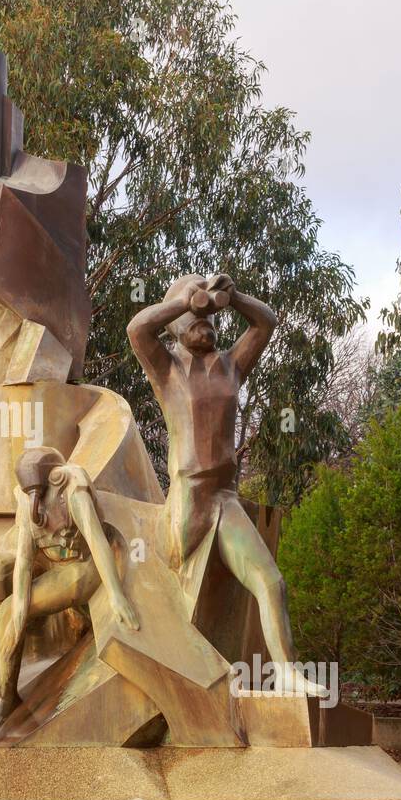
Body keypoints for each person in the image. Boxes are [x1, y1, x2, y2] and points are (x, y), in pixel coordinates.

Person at [126, 273, 324, 697]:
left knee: (270, 582)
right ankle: (181, 688)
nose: (206, 322)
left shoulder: (231, 367)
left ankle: (287, 673)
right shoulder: (167, 369)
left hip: (224, 498)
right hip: (188, 499)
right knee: (187, 604)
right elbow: (137, 329)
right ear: (176, 324)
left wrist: (232, 297)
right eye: (196, 318)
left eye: (209, 318)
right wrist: (185, 301)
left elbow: (266, 322)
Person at [0, 447, 138, 739]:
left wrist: (116, 594)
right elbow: (24, 561)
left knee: (25, 604)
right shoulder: (26, 501)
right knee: (8, 611)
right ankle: (6, 698)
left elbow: (97, 541)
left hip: (84, 565)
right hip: (52, 562)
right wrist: (20, 609)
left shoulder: (72, 490)